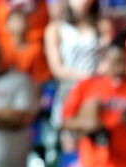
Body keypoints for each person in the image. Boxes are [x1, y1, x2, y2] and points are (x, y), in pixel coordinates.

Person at [43, 0, 106, 137]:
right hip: (68, 92)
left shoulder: (101, 26)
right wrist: (87, 76)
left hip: (96, 94)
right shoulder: (55, 28)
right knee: (69, 140)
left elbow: (107, 59)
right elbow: (57, 69)